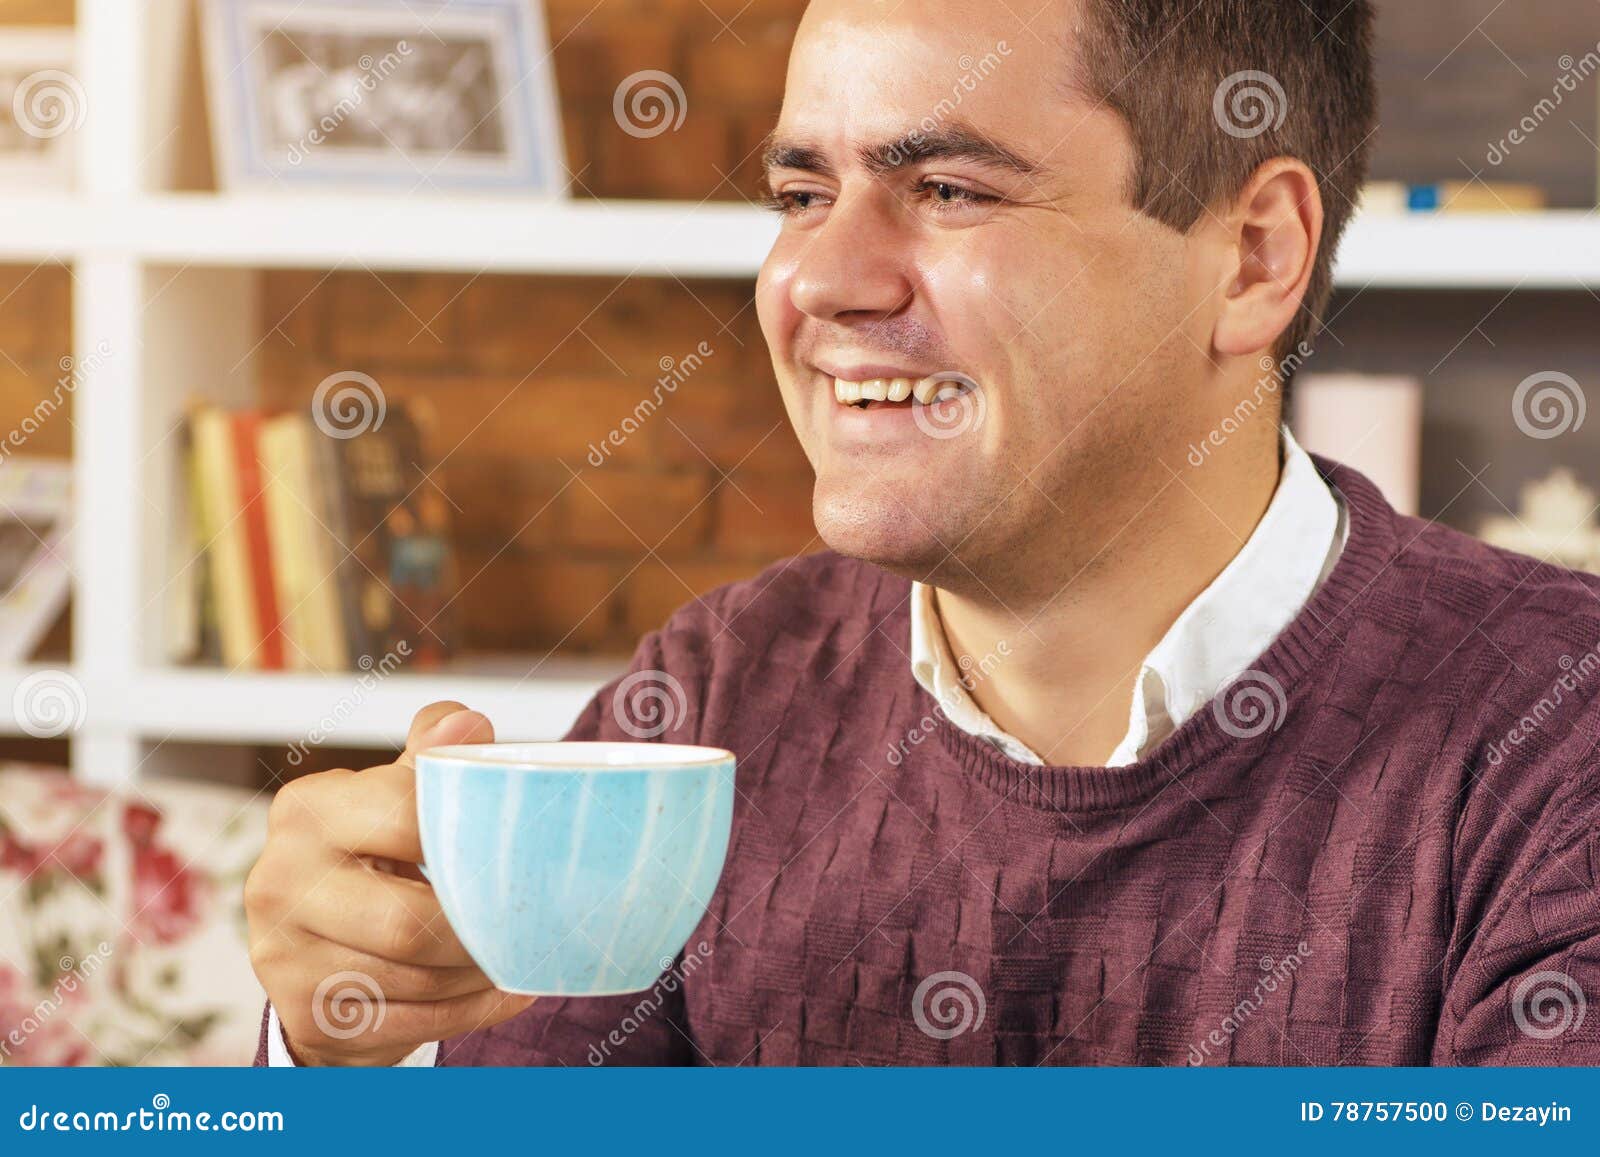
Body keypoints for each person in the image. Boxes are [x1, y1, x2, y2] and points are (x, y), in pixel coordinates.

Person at [249, 0, 1600, 1066]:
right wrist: (341, 1058)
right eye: (799, 194)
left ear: (1252, 255)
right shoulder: (712, 695)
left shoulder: (1557, 741)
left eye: (947, 188)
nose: (820, 279)